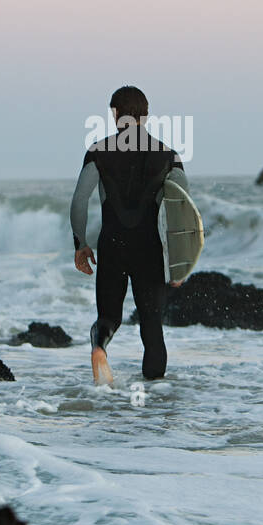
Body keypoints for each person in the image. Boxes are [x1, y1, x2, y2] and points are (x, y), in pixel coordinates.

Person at [71, 86, 189, 385]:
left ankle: (99, 347)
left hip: (112, 245)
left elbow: (79, 201)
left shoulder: (98, 152)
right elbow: (182, 209)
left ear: (115, 114)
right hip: (149, 249)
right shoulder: (169, 156)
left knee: (108, 317)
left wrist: (81, 244)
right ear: (146, 116)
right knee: (151, 325)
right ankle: (156, 403)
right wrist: (180, 261)